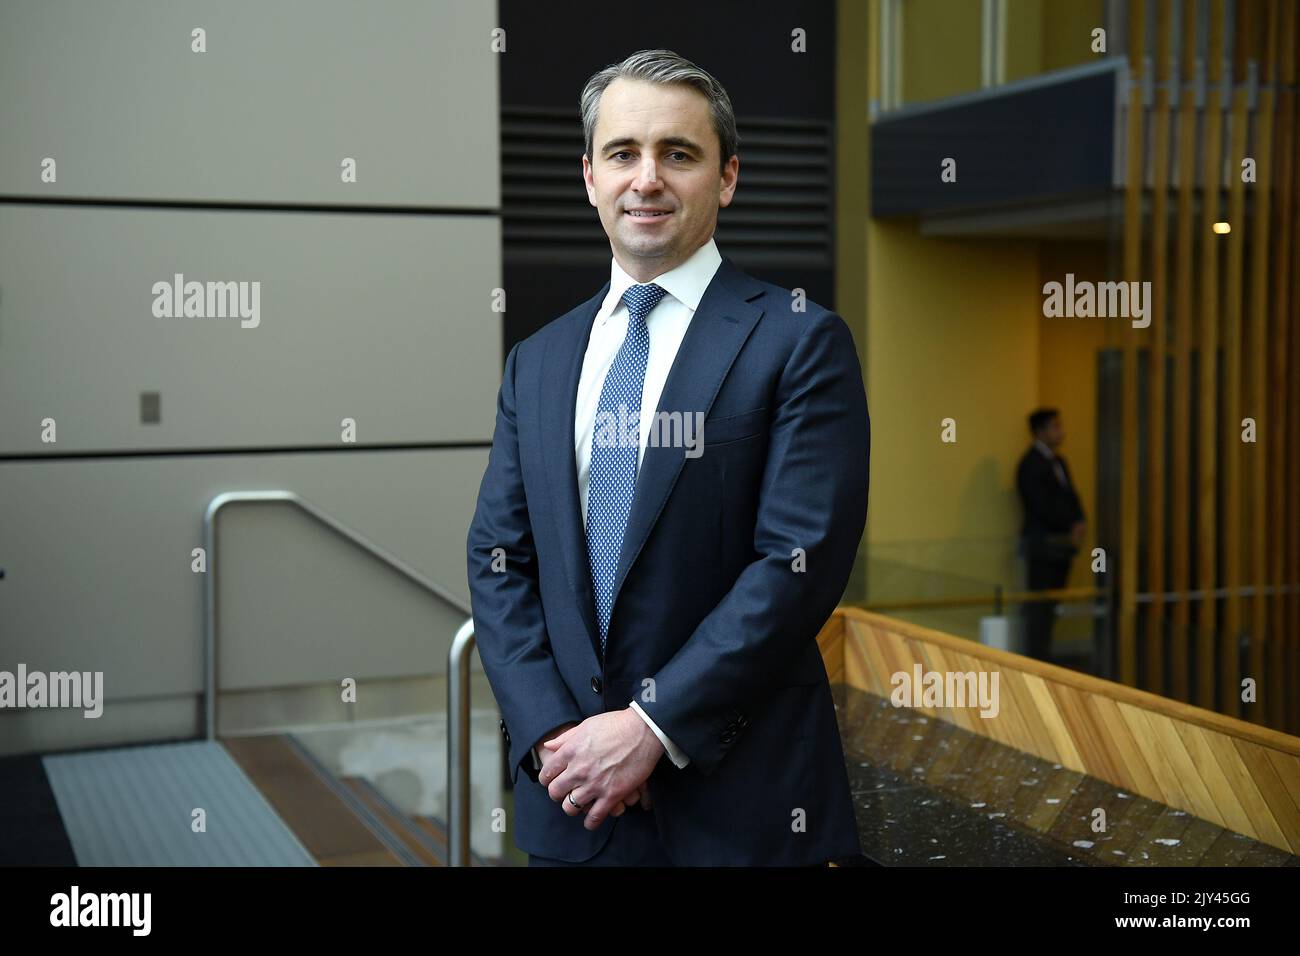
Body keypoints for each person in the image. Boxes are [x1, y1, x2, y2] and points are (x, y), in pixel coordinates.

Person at [466, 49, 870, 866]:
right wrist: (554, 734)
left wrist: (650, 727)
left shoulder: (797, 342)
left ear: (725, 178)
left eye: (677, 154)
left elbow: (796, 565)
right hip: (573, 806)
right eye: (623, 153)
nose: (646, 178)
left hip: (743, 811)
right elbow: (499, 559)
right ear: (590, 177)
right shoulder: (537, 361)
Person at [1015, 408, 1086, 662]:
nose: (1061, 431)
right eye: (1055, 426)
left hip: (1060, 547)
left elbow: (1071, 496)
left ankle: (1044, 657)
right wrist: (1069, 525)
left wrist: (1079, 520)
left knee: (1053, 605)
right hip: (1043, 545)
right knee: (1040, 608)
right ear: (1040, 431)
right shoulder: (1030, 465)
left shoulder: (1059, 462)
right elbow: (1040, 505)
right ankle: (1037, 660)